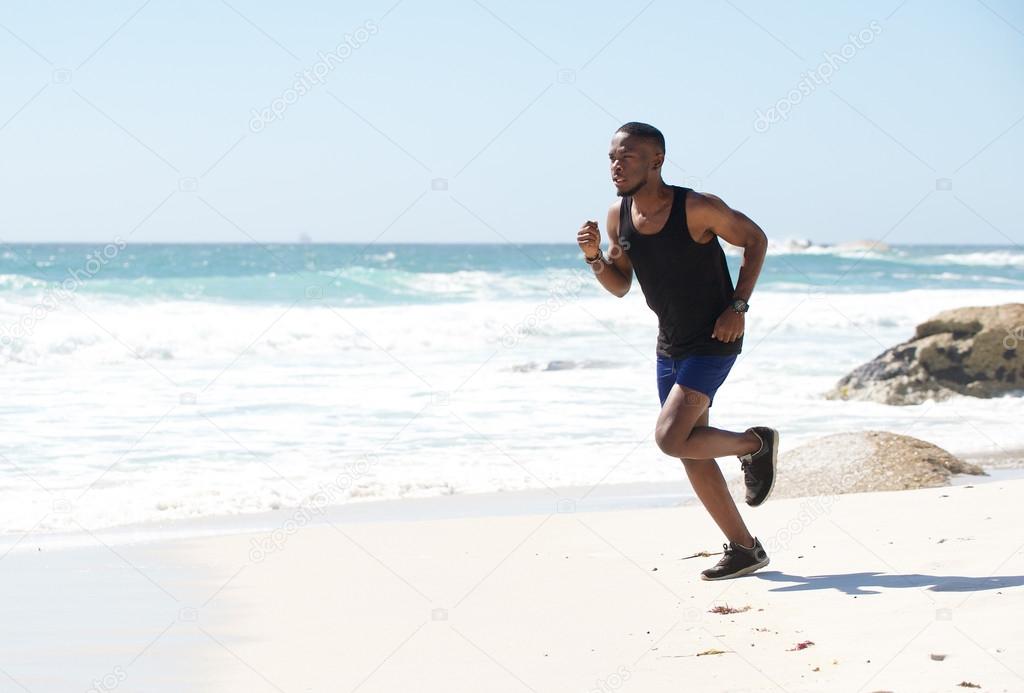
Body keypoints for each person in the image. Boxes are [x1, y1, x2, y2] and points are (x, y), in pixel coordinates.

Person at [576, 122, 777, 580]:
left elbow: (755, 240)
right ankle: (745, 549)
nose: (616, 165)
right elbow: (620, 285)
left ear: (656, 161)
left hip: (715, 340)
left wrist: (738, 306)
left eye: (626, 156)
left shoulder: (697, 208)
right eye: (611, 157)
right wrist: (593, 257)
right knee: (690, 448)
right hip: (670, 345)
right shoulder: (618, 216)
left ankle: (756, 443)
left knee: (670, 438)